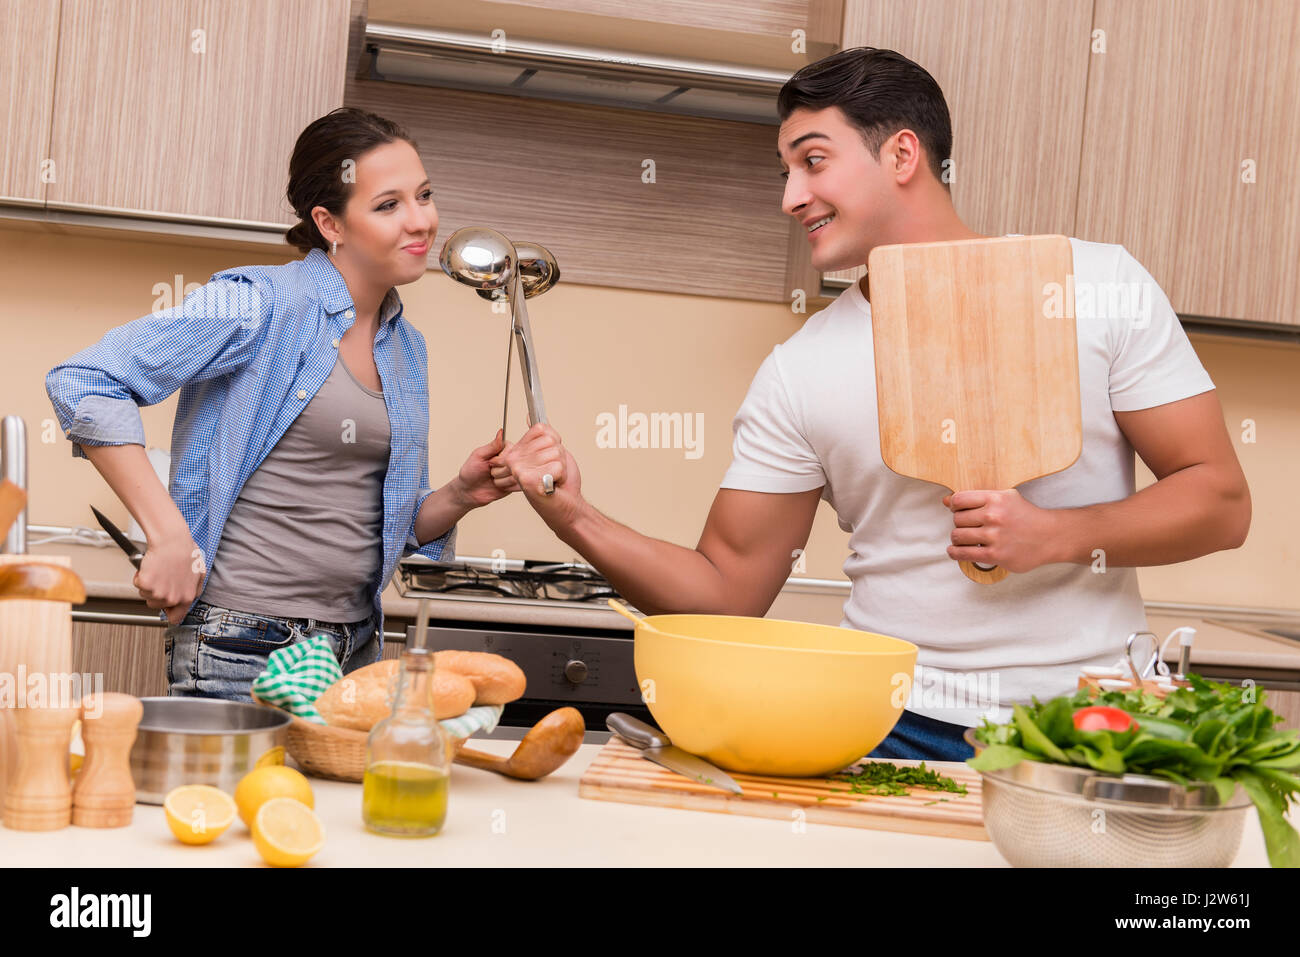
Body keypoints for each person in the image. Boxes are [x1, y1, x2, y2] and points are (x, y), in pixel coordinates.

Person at [493, 48, 1252, 761]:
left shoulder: (1097, 286)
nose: (791, 196)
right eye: (785, 170)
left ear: (902, 155)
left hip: (1100, 721)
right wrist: (573, 514)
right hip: (895, 726)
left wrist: (1053, 534)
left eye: (812, 161)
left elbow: (1219, 501)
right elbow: (725, 593)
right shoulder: (801, 370)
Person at [47, 107, 518, 702]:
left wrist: (460, 495)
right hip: (241, 644)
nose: (421, 221)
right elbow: (84, 379)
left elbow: (375, 527)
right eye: (388, 204)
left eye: (424, 195)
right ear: (330, 223)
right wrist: (168, 535)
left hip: (355, 648)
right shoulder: (260, 305)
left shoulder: (405, 348)